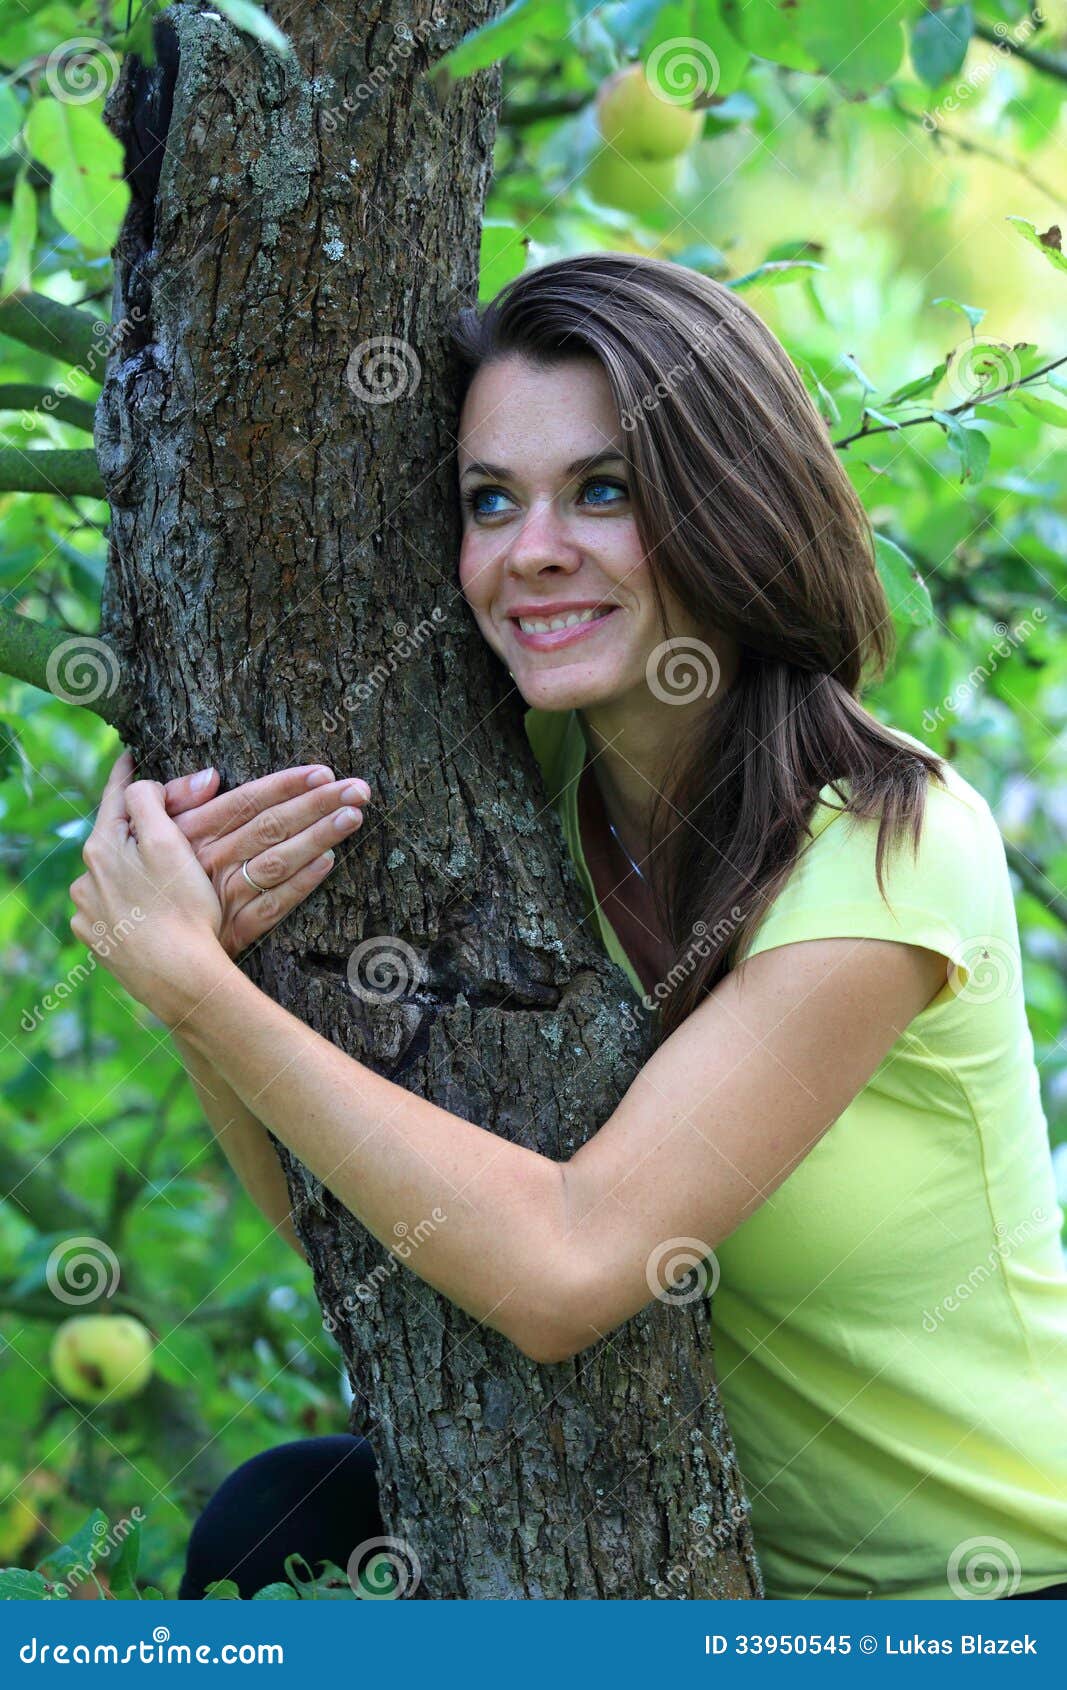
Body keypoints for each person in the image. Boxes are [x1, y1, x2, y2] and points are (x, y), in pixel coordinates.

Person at [69, 253, 1067, 1601]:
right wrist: (205, 952)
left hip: (1005, 1601)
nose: (531, 550)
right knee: (274, 1522)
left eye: (604, 489)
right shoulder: (517, 797)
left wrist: (196, 988)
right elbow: (362, 1241)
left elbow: (566, 1268)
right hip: (729, 1585)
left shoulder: (889, 845)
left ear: (732, 498)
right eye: (490, 499)